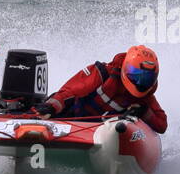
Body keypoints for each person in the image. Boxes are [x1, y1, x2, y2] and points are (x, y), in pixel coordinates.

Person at [33, 45, 167, 133]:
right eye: (135, 74)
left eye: (146, 78)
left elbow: (162, 125)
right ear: (125, 67)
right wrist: (51, 107)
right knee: (46, 109)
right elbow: (70, 90)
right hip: (68, 117)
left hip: (98, 133)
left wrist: (143, 112)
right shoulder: (102, 73)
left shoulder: (145, 96)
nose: (140, 81)